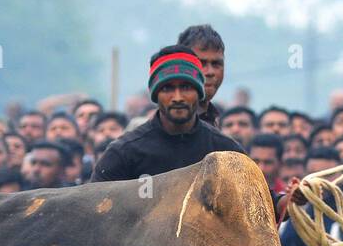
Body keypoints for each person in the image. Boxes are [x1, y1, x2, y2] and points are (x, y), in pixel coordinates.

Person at [90, 47, 243, 184]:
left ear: (199, 92)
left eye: (186, 87)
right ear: (156, 95)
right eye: (167, 88)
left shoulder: (227, 153)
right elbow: (97, 208)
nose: (177, 97)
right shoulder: (124, 153)